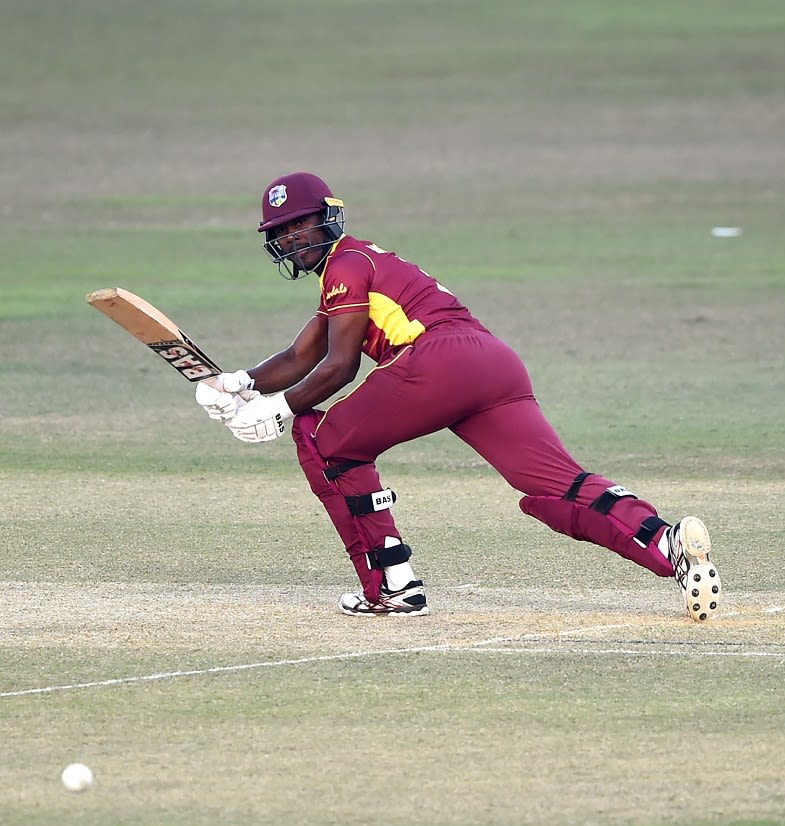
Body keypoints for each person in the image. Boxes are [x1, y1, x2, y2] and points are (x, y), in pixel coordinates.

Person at [195, 172, 721, 622]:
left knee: (323, 440)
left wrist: (281, 410)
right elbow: (298, 356)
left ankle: (392, 586)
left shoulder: (345, 267)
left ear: (329, 219)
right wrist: (236, 384)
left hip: (436, 362)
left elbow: (340, 365)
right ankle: (665, 541)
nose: (291, 239)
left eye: (300, 224)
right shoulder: (361, 265)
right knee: (555, 489)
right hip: (494, 365)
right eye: (281, 232)